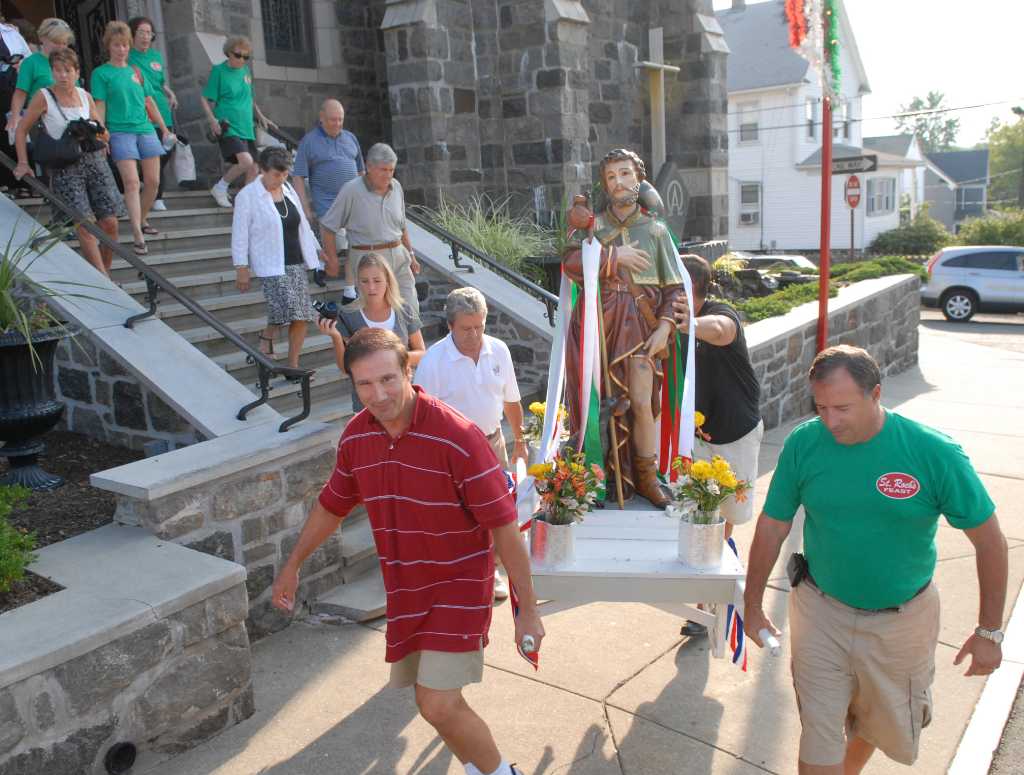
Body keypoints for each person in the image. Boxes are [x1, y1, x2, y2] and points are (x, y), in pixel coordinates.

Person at [271, 327, 541, 775]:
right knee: (429, 702)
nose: (378, 394)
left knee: (437, 702)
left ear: (408, 371)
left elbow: (504, 529)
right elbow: (330, 506)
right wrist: (292, 565)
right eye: (364, 384)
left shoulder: (459, 437)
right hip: (407, 590)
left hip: (459, 586)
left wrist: (526, 609)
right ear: (353, 385)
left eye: (387, 380)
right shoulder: (357, 438)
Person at [744, 345, 1007, 775]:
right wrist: (752, 605)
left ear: (877, 393)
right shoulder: (804, 442)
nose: (830, 420)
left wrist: (989, 632)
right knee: (820, 728)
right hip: (820, 611)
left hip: (903, 622)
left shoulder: (933, 453)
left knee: (878, 723)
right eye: (821, 407)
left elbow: (991, 541)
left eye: (843, 407)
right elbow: (773, 525)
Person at [561, 148, 684, 507]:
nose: (618, 182)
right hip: (599, 322)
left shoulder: (657, 230)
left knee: (641, 403)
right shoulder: (592, 226)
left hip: (642, 327)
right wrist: (613, 257)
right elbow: (569, 262)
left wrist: (664, 327)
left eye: (625, 174)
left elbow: (673, 288)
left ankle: (646, 477)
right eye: (611, 176)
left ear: (639, 177)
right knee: (599, 401)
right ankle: (600, 477)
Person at [415, 287, 528, 601]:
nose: (475, 334)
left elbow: (511, 400)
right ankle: (464, 575)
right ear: (450, 325)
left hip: (493, 443)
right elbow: (420, 417)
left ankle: (493, 572)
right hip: (451, 454)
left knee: (500, 514)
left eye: (480, 326)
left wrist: (519, 440)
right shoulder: (433, 362)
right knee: (460, 518)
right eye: (467, 328)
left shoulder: (499, 350)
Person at [672, 253, 763, 636]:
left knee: (726, 517)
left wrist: (688, 323)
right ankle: (703, 600)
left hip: (735, 434)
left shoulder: (717, 313)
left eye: (675, 290)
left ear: (693, 290)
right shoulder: (671, 323)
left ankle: (711, 598)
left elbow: (722, 329)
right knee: (698, 514)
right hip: (699, 435)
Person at [13, 48, 124, 275]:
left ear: (76, 72)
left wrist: (95, 133)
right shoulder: (44, 96)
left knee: (110, 222)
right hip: (65, 167)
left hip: (94, 162)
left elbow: (103, 131)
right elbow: (22, 129)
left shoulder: (85, 96)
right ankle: (104, 280)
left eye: (67, 70)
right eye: (57, 70)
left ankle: (105, 273)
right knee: (84, 224)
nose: (62, 75)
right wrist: (23, 163)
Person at [231, 147, 330, 373]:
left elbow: (302, 224)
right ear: (262, 170)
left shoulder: (288, 191)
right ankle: (278, 351)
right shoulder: (248, 196)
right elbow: (239, 234)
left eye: (285, 174)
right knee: (294, 311)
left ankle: (285, 356)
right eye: (276, 174)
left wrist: (316, 250)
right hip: (270, 264)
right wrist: (241, 267)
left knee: (299, 314)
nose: (281, 179)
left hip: (295, 261)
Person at [90, 20, 174, 256]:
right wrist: (101, 133)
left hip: (145, 129)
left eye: (125, 45)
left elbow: (149, 102)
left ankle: (142, 218)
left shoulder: (136, 71)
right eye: (117, 45)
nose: (122, 49)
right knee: (132, 183)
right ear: (109, 46)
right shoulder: (101, 73)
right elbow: (99, 106)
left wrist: (163, 128)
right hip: (119, 131)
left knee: (154, 182)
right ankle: (137, 232)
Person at [319, 142, 421, 320]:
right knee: (379, 313)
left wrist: (411, 254)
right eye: (383, 170)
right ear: (369, 166)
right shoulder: (351, 190)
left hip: (399, 255)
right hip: (369, 258)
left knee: (410, 310)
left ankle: (412, 346)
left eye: (391, 170)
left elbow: (402, 224)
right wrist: (333, 259)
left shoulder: (396, 187)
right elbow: (328, 227)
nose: (388, 175)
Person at [318, 251, 425, 411]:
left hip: (403, 399)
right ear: (357, 283)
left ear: (388, 280)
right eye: (364, 281)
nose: (371, 287)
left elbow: (422, 352)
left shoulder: (404, 310)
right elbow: (345, 367)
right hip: (366, 404)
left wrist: (389, 360)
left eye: (377, 280)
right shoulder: (348, 315)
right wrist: (335, 336)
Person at [292, 99, 364, 289]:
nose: (338, 124)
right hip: (327, 204)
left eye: (341, 119)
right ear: (321, 118)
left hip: (354, 203)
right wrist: (304, 207)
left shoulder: (350, 138)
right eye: (333, 120)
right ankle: (322, 265)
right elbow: (298, 176)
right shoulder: (309, 141)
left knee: (355, 246)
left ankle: (349, 290)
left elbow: (360, 171)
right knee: (339, 245)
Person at [202, 35, 275, 209]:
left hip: (246, 125)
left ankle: (244, 201)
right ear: (229, 53)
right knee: (246, 161)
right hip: (228, 125)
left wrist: (261, 116)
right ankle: (220, 187)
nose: (241, 60)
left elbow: (249, 98)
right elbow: (205, 98)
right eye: (237, 55)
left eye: (245, 57)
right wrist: (212, 120)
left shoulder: (245, 73)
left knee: (254, 167)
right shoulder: (219, 71)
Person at [128, 16, 177, 212]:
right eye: (142, 32)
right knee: (151, 152)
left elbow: (160, 81)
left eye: (149, 33)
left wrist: (170, 92)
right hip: (141, 110)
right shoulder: (127, 55)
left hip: (162, 110)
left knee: (166, 151)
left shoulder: (156, 56)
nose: (146, 37)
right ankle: (155, 195)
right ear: (133, 34)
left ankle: (153, 190)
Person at [5, 18, 74, 139]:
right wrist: (15, 117)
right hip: (41, 121)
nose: (61, 47)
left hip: (70, 119)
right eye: (56, 42)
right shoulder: (31, 63)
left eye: (64, 43)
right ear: (42, 38)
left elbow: (77, 92)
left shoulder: (69, 62)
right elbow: (21, 93)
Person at [0, 16, 32, 197]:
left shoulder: (10, 33)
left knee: (13, 133)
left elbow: (29, 58)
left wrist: (21, 64)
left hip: (11, 91)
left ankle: (19, 183)